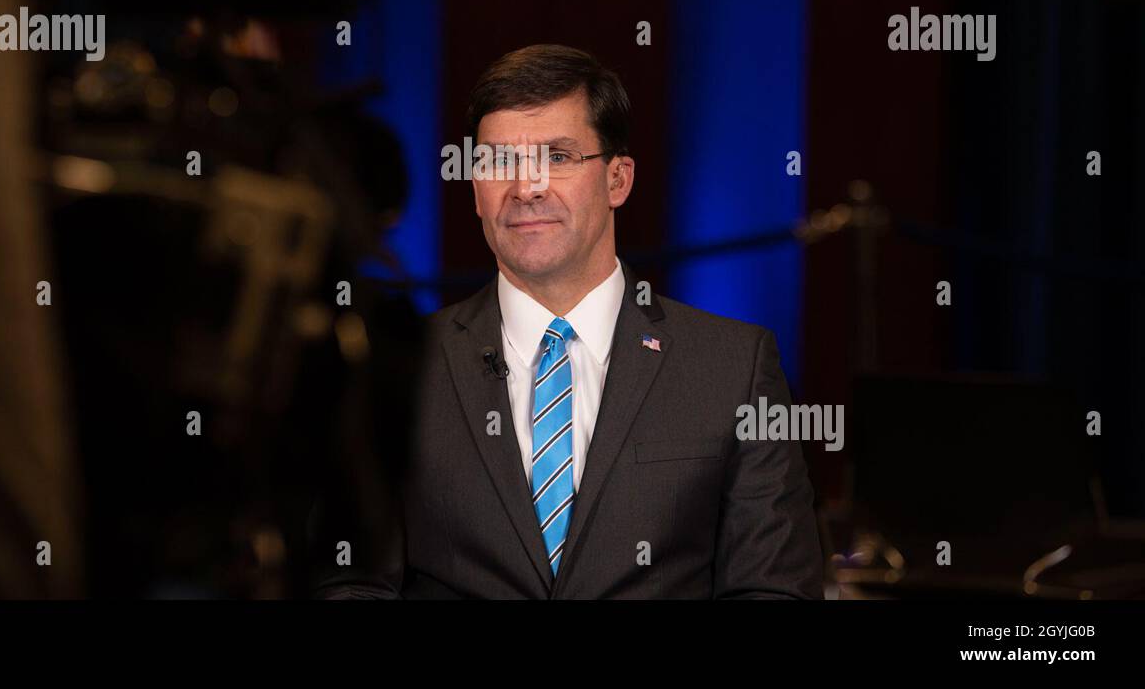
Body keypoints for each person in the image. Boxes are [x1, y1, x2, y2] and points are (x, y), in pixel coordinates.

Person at [315, 44, 823, 598]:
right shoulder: (398, 365)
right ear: (475, 191)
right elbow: (352, 583)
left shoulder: (734, 368)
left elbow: (773, 590)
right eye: (499, 162)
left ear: (618, 180)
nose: (527, 187)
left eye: (557, 156)